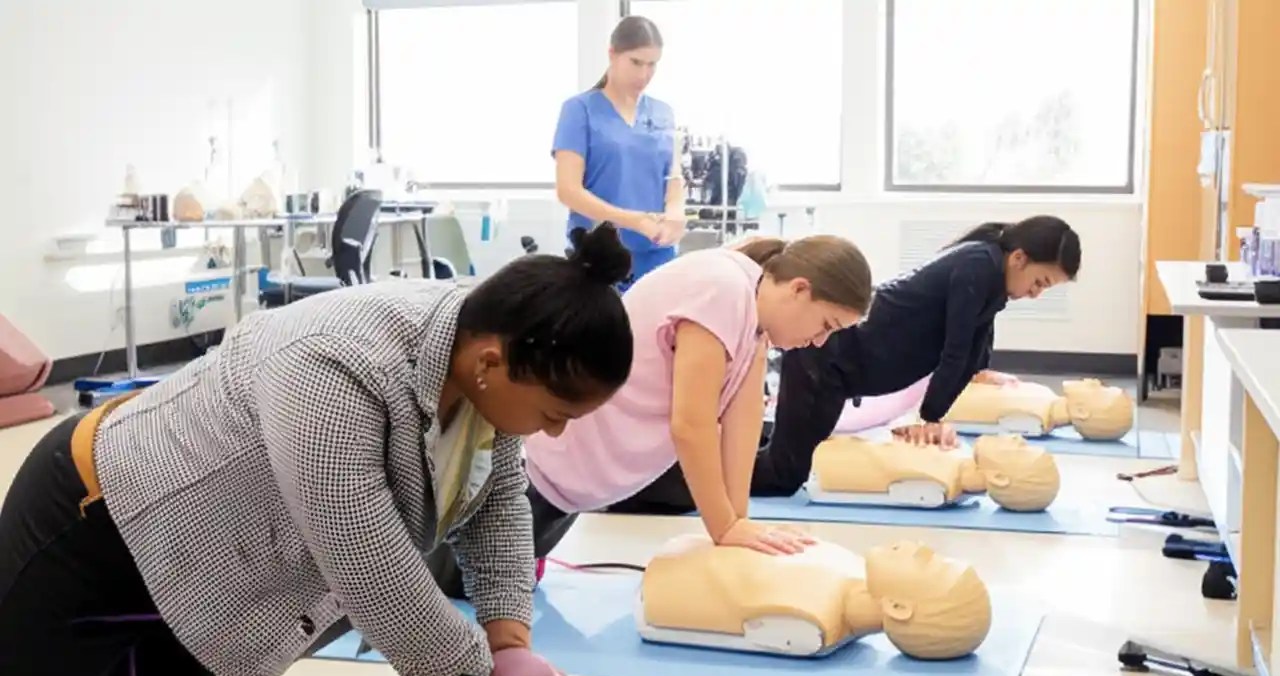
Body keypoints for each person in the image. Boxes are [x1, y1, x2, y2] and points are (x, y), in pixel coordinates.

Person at [0, 223, 636, 676]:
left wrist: (510, 641)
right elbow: (366, 559)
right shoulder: (334, 366)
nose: (555, 432)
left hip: (201, 556)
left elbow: (496, 502)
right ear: (492, 363)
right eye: (555, 413)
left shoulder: (479, 350)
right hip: (96, 520)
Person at [426, 234, 873, 599]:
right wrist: (724, 526)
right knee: (451, 588)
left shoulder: (753, 317)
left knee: (499, 584)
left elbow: (742, 424)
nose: (818, 343)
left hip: (572, 487)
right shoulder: (725, 287)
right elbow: (692, 424)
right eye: (826, 325)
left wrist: (739, 526)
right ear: (799, 289)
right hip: (542, 474)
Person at [612, 214, 1082, 512]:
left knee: (778, 448)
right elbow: (957, 349)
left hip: (839, 368)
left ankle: (688, 470)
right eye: (1039, 281)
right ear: (1017, 257)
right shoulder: (978, 265)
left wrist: (966, 386)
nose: (1036, 294)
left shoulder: (990, 283)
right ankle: (642, 485)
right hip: (830, 362)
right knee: (784, 474)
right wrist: (930, 417)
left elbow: (971, 351)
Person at [553, 15, 684, 290]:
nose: (644, 74)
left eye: (652, 65)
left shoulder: (664, 113)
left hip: (658, 257)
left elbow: (673, 178)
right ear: (612, 54)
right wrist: (633, 220)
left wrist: (675, 212)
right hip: (600, 257)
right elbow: (568, 191)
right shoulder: (579, 110)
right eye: (636, 62)